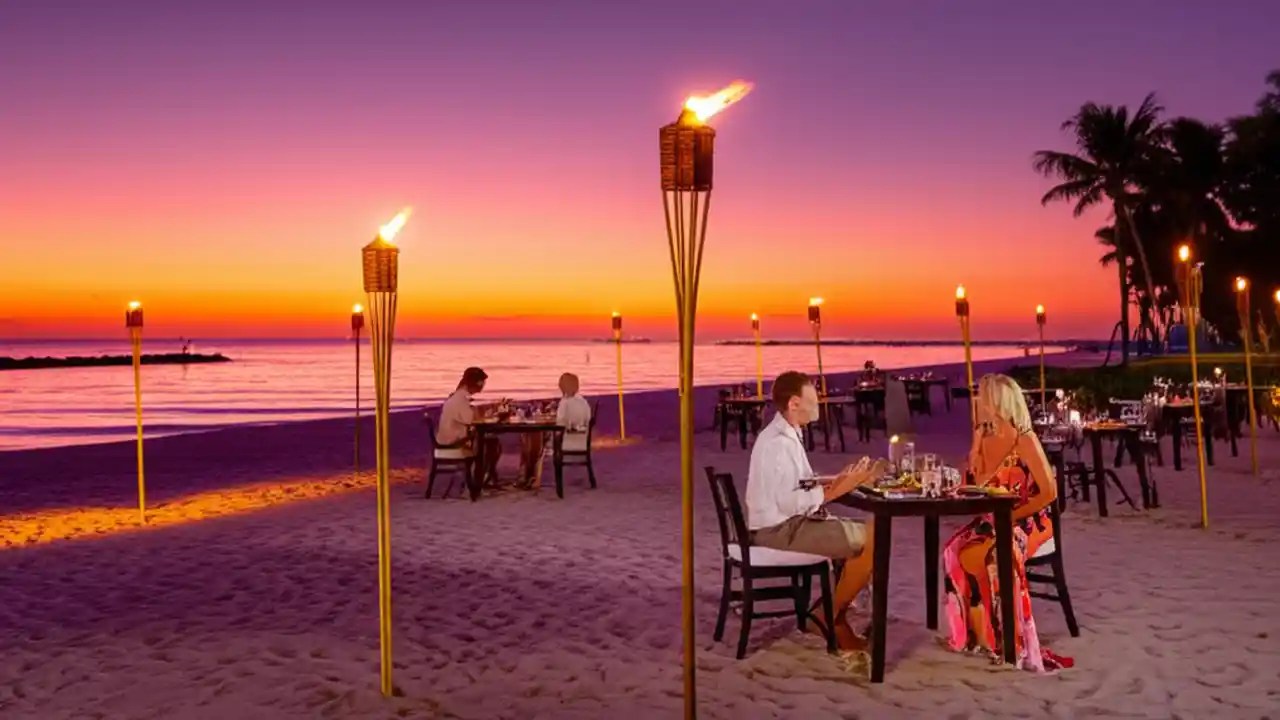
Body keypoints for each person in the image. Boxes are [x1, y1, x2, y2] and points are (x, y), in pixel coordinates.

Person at [746, 370, 887, 652]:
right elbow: (790, 503)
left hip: (787, 524)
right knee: (876, 539)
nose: (819, 404)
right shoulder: (777, 444)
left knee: (872, 532)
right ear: (794, 403)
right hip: (778, 530)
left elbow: (803, 483)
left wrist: (841, 479)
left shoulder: (785, 435)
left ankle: (833, 615)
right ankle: (827, 616)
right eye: (813, 399)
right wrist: (839, 488)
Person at [942, 373, 1073, 671]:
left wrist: (1011, 516)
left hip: (1030, 519)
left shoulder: (1023, 438)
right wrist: (974, 449)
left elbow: (1050, 493)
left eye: (983, 398)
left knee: (994, 554)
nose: (978, 403)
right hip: (992, 517)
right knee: (953, 550)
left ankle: (1009, 639)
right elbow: (970, 486)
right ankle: (981, 635)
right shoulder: (985, 438)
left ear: (997, 404)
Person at [438, 367, 502, 485]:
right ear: (477, 382)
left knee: (492, 441)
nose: (483, 385)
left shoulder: (459, 396)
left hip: (449, 438)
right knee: (491, 444)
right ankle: (480, 479)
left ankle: (485, 477)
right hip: (453, 442)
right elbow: (472, 420)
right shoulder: (460, 399)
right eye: (482, 382)